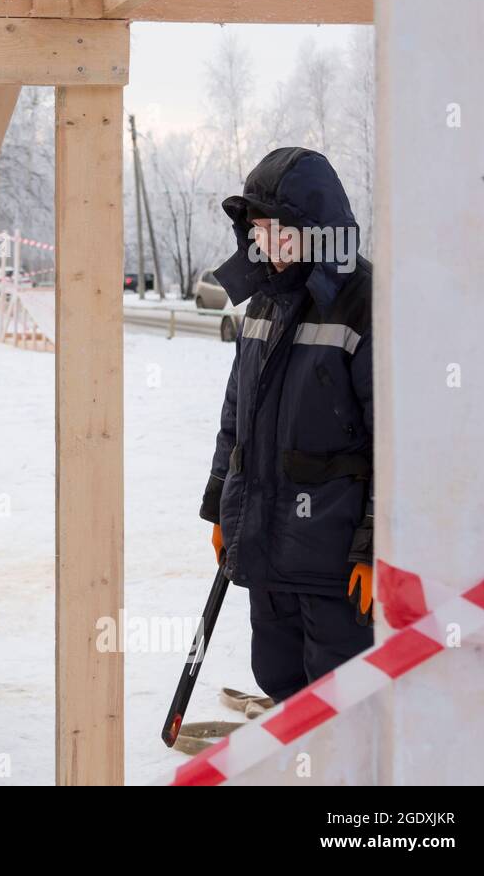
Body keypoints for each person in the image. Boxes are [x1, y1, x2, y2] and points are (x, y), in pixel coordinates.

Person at [199, 147, 375, 705]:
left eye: (280, 233)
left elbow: (397, 444)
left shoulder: (364, 301)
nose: (267, 248)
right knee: (279, 682)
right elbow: (236, 417)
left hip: (335, 562)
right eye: (258, 234)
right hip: (266, 548)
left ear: (318, 230)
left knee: (341, 701)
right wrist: (220, 507)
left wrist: (376, 546)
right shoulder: (263, 304)